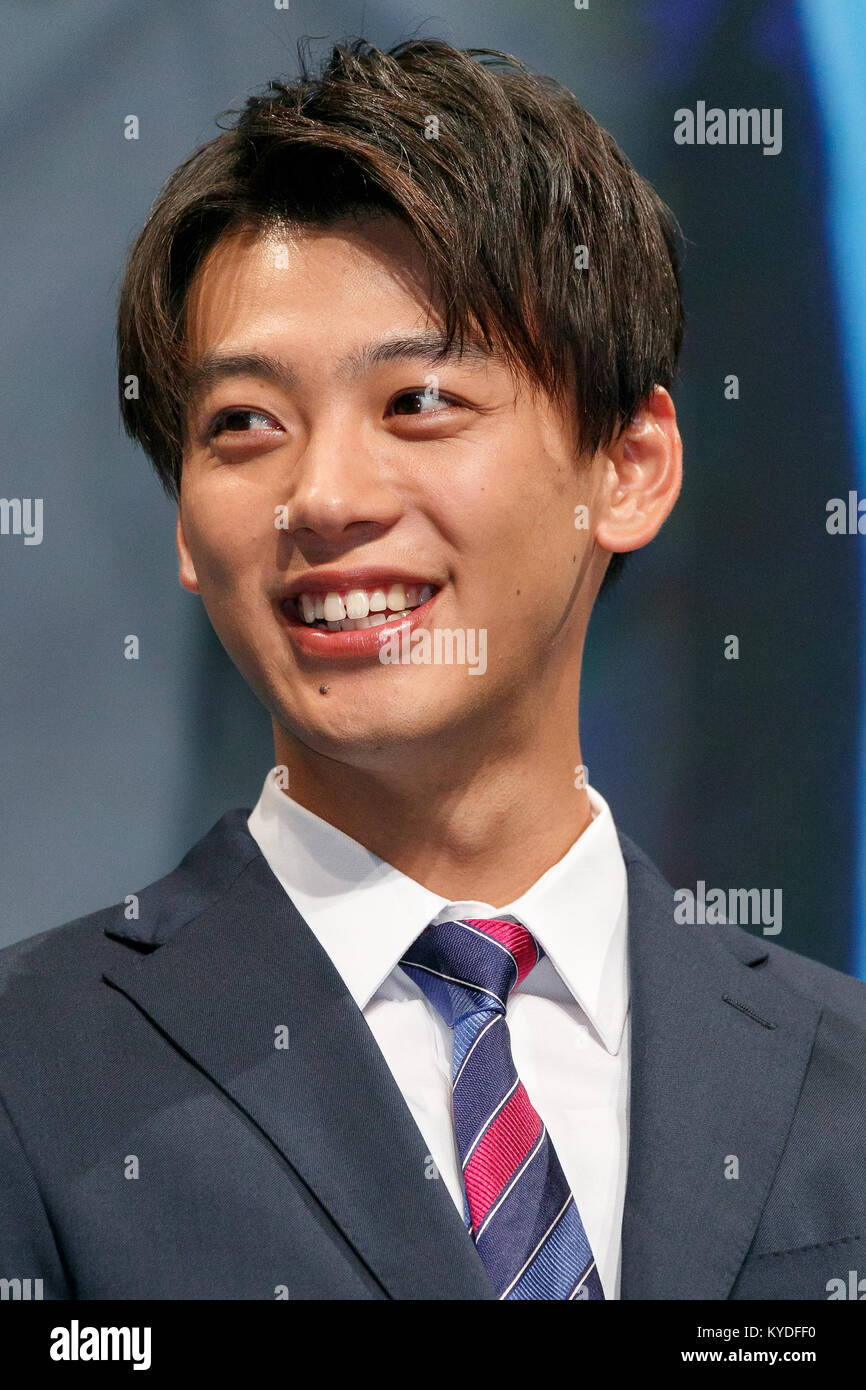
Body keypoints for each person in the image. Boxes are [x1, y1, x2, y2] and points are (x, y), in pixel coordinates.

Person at [1, 36, 864, 1302]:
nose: (325, 496)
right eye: (243, 425)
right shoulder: (34, 1074)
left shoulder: (835, 1079)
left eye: (417, 402)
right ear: (186, 526)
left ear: (627, 469)